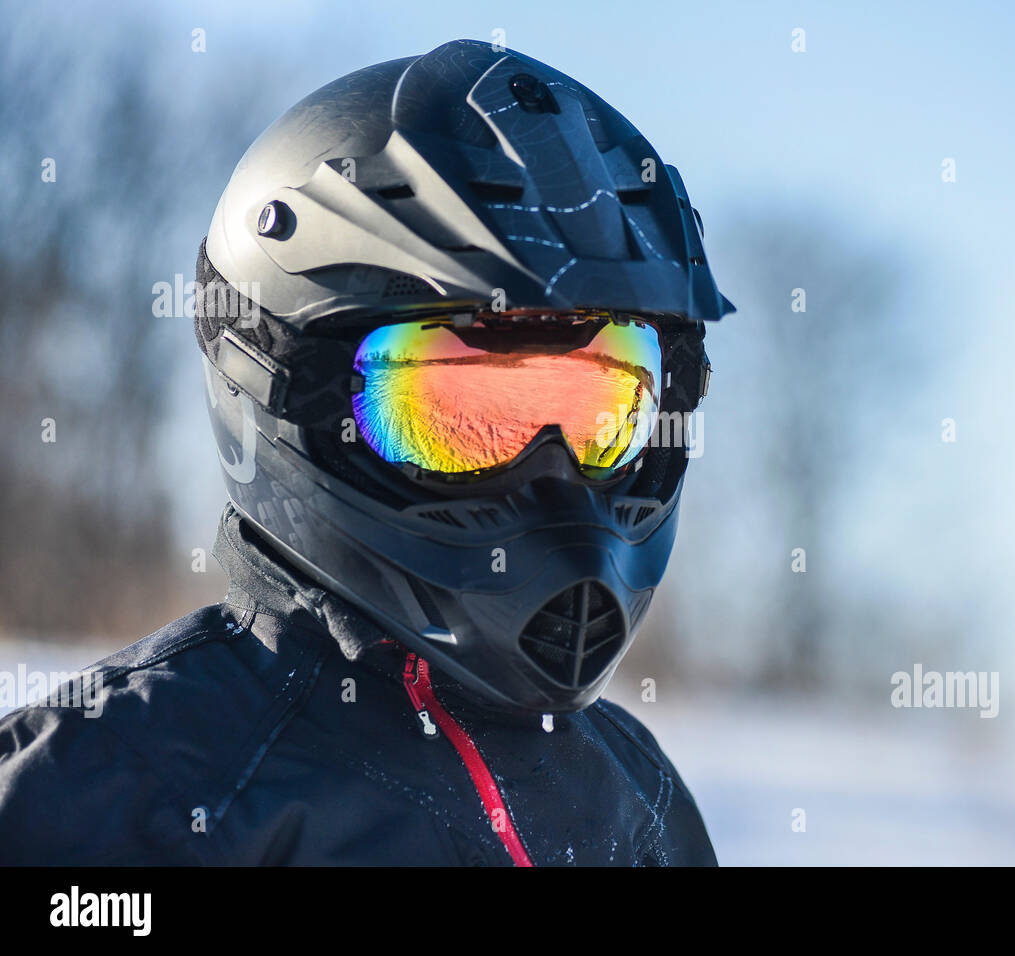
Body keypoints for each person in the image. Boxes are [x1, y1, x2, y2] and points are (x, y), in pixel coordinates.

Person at [0, 39, 732, 865]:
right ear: (288, 387)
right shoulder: (118, 789)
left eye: (600, 412)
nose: (552, 481)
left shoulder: (643, 799)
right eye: (463, 412)